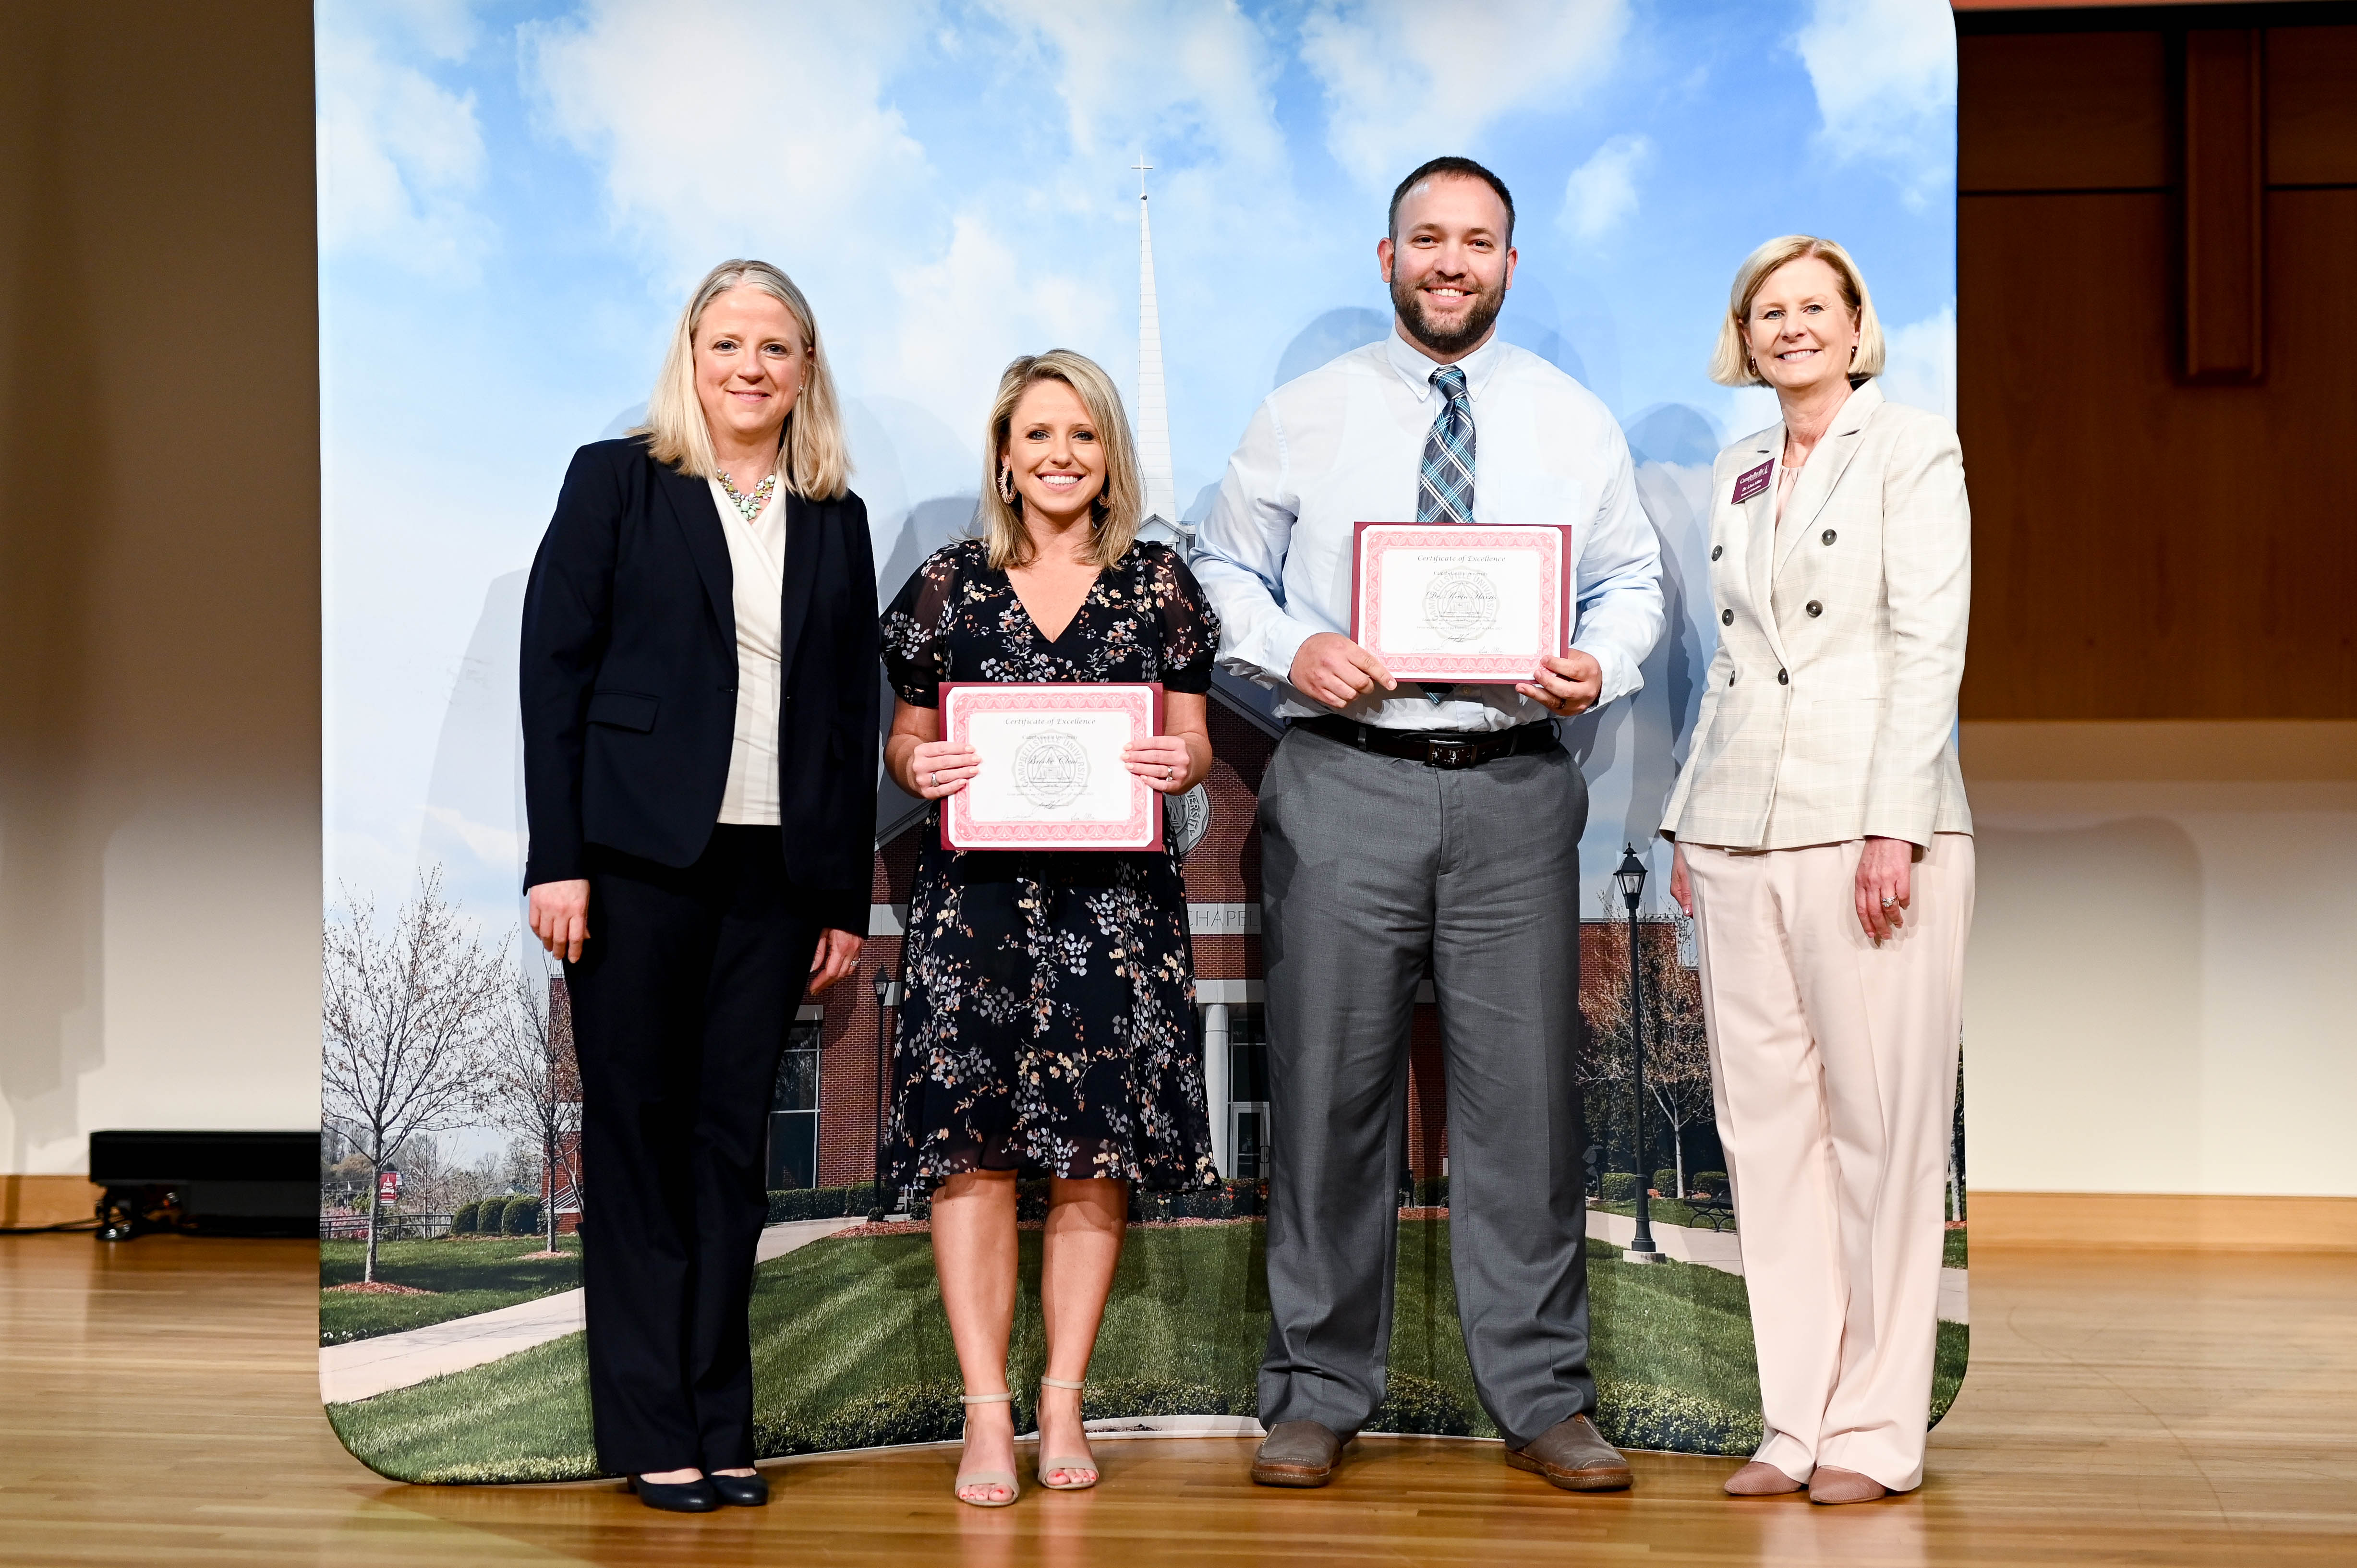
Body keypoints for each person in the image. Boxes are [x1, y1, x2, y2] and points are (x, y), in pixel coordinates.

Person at [1192, 157, 1664, 1492]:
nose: (1449, 262)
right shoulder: (1302, 414)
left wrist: (1597, 662)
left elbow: (1630, 580)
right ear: (1383, 254)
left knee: (1522, 1114)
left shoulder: (1572, 422)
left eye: (1476, 242)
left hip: (1516, 785)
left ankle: (1540, 1397)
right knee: (1330, 1099)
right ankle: (1314, 1392)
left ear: (1510, 265)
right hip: (1342, 778)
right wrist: (1296, 644)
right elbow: (1218, 571)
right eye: (1425, 239)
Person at [519, 260, 878, 1513]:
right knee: (636, 1146)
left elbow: (845, 712)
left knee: (731, 1158)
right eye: (726, 343)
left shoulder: (834, 513)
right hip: (630, 865)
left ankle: (723, 1425)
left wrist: (843, 895)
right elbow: (553, 673)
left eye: (773, 347)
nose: (749, 367)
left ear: (805, 369)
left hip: (773, 878)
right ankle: (650, 1428)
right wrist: (554, 857)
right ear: (690, 353)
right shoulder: (616, 481)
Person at [1661, 234, 1973, 1507]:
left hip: (1866, 827)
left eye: (1811, 307)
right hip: (1736, 828)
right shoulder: (1735, 470)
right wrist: (1687, 819)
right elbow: (1729, 661)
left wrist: (1894, 823)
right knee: (1765, 1136)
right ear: (1743, 335)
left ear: (1853, 327)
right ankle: (1792, 1420)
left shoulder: (1913, 447)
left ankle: (1876, 1430)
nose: (1788, 326)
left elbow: (1926, 642)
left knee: (1881, 1137)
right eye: (1765, 310)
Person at [879, 350, 1220, 1508]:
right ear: (1005, 454)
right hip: (973, 909)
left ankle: (1062, 1397)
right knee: (968, 1156)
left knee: (1092, 1156)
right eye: (1038, 434)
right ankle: (986, 1414)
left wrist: (1183, 761)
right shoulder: (945, 584)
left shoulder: (1160, 582)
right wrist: (918, 761)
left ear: (1108, 452)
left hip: (1117, 908)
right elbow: (904, 738)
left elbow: (1195, 741)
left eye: (1082, 433)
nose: (1061, 453)